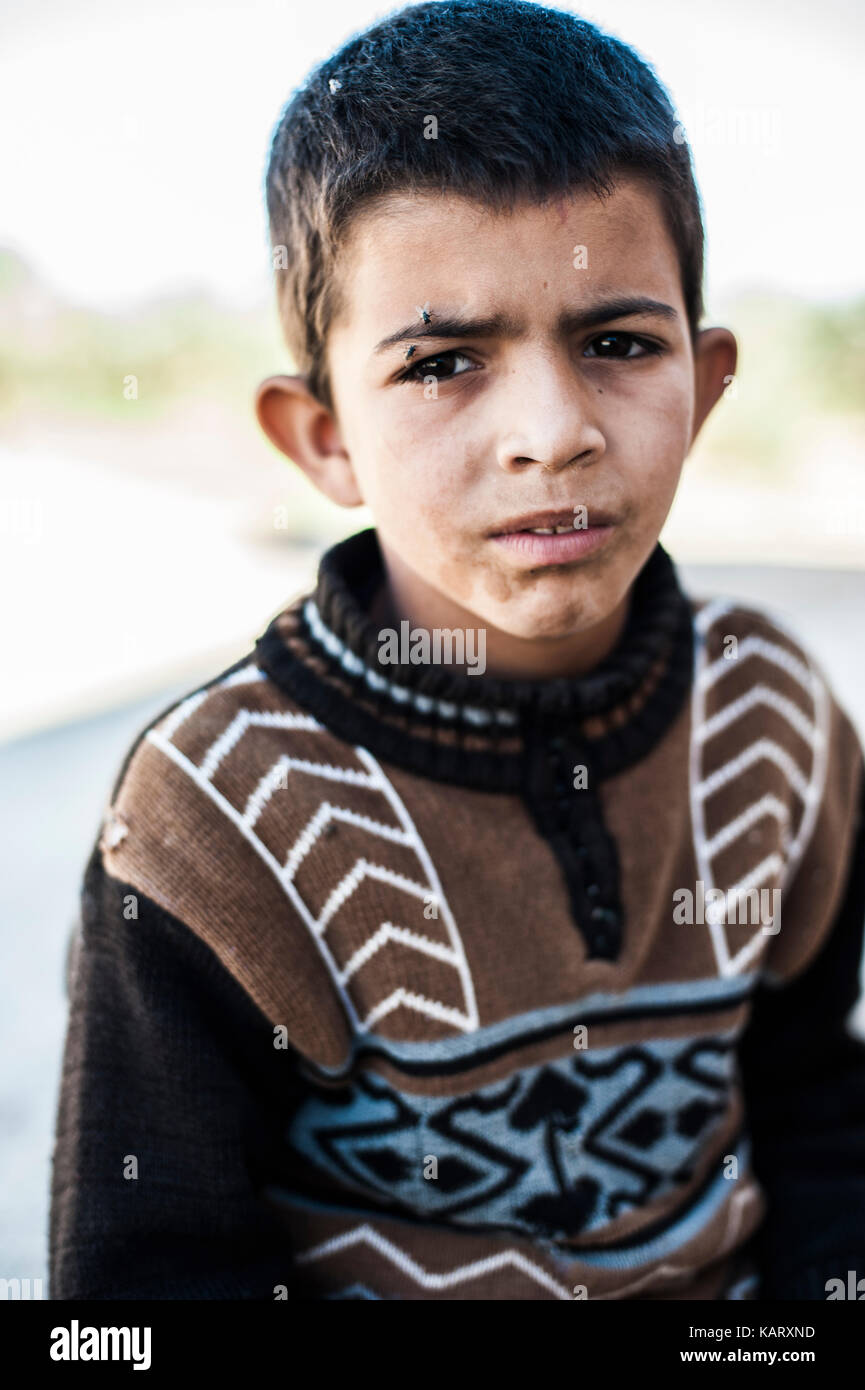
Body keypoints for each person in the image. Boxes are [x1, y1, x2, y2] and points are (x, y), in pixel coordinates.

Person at [49, 0, 865, 1300]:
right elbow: (153, 1274)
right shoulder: (214, 818)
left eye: (615, 344)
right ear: (322, 439)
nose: (552, 431)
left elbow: (815, 1105)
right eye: (441, 362)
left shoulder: (771, 716)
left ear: (704, 386)